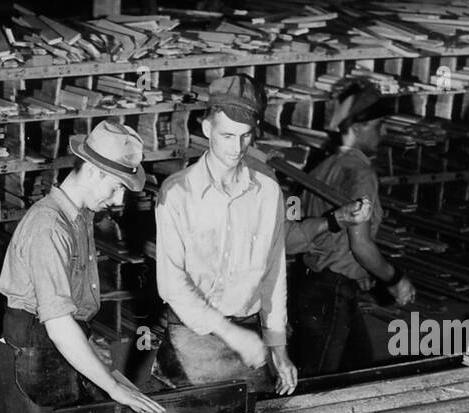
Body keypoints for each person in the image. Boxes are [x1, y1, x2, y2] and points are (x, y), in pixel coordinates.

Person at [0, 121, 165, 413]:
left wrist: (88, 341)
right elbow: (57, 325)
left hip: (54, 356)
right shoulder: (49, 227)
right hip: (28, 361)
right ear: (94, 171)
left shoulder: (79, 217)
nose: (116, 200)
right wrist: (113, 386)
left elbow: (71, 308)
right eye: (115, 188)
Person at [155, 75, 299, 396]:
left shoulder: (267, 192)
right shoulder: (178, 192)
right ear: (207, 129)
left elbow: (274, 275)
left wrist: (278, 348)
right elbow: (171, 284)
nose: (237, 148)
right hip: (192, 337)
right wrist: (230, 333)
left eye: (246, 137)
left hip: (248, 332)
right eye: (227, 136)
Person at [288, 80, 416, 376]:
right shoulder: (360, 173)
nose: (383, 132)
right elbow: (361, 245)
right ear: (357, 127)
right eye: (379, 125)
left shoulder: (322, 167)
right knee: (317, 379)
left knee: (356, 367)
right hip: (332, 290)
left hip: (312, 282)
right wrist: (395, 279)